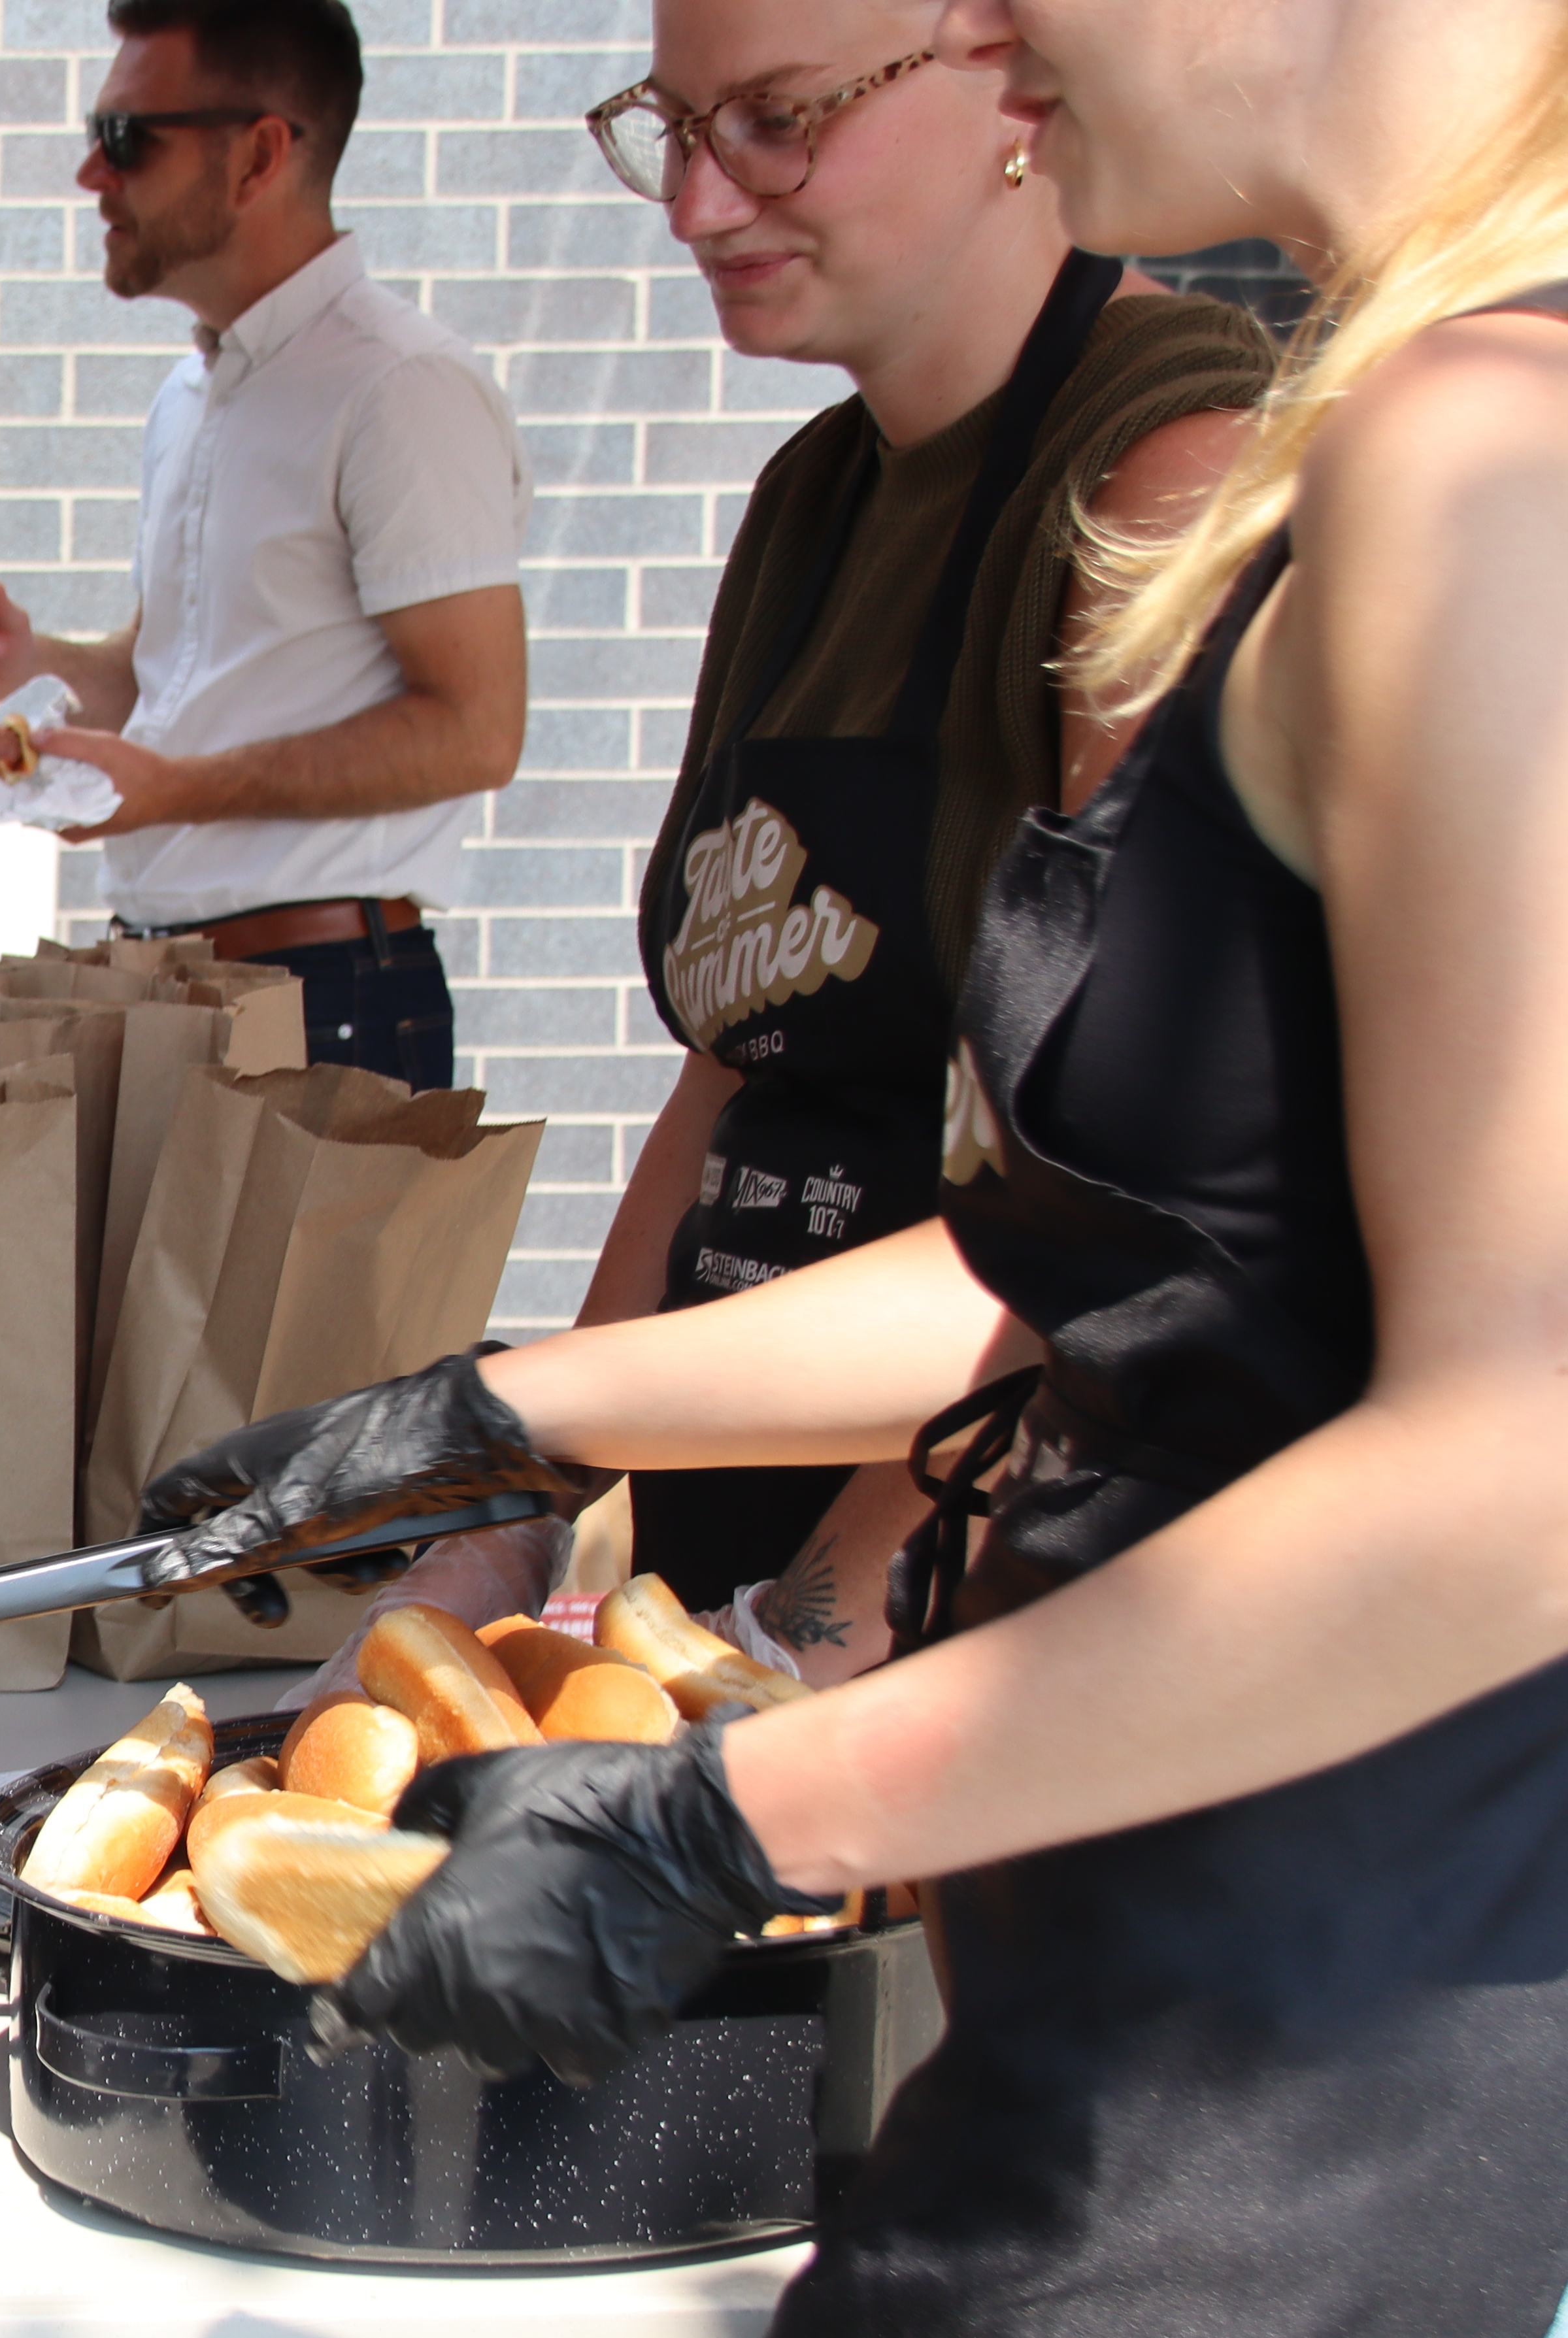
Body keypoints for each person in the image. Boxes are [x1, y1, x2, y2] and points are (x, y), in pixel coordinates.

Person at [132, 0, 1568, 2338]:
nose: (993, 31)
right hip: (1159, 1990)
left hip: (1344, 2090)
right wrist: (499, 1410)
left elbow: (1526, 1466)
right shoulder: (1417, 435)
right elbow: (1108, 1266)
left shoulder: (1498, 455)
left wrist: (738, 1809)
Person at [567, 0, 1268, 1663]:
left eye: (778, 119)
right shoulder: (812, 498)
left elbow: (1119, 1237)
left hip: (975, 1599)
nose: (698, 206)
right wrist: (511, 1498)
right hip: (727, 1542)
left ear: (1002, 75)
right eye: (674, 128)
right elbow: (737, 1064)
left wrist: (793, 1651)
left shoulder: (1175, 480)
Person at [0, 0, 529, 1093]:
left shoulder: (403, 389)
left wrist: (179, 789)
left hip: (321, 999)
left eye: (125, 139)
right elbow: (180, 676)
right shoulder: (191, 392)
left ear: (258, 156)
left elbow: (476, 733)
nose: (91, 176)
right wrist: (35, 662)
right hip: (161, 984)